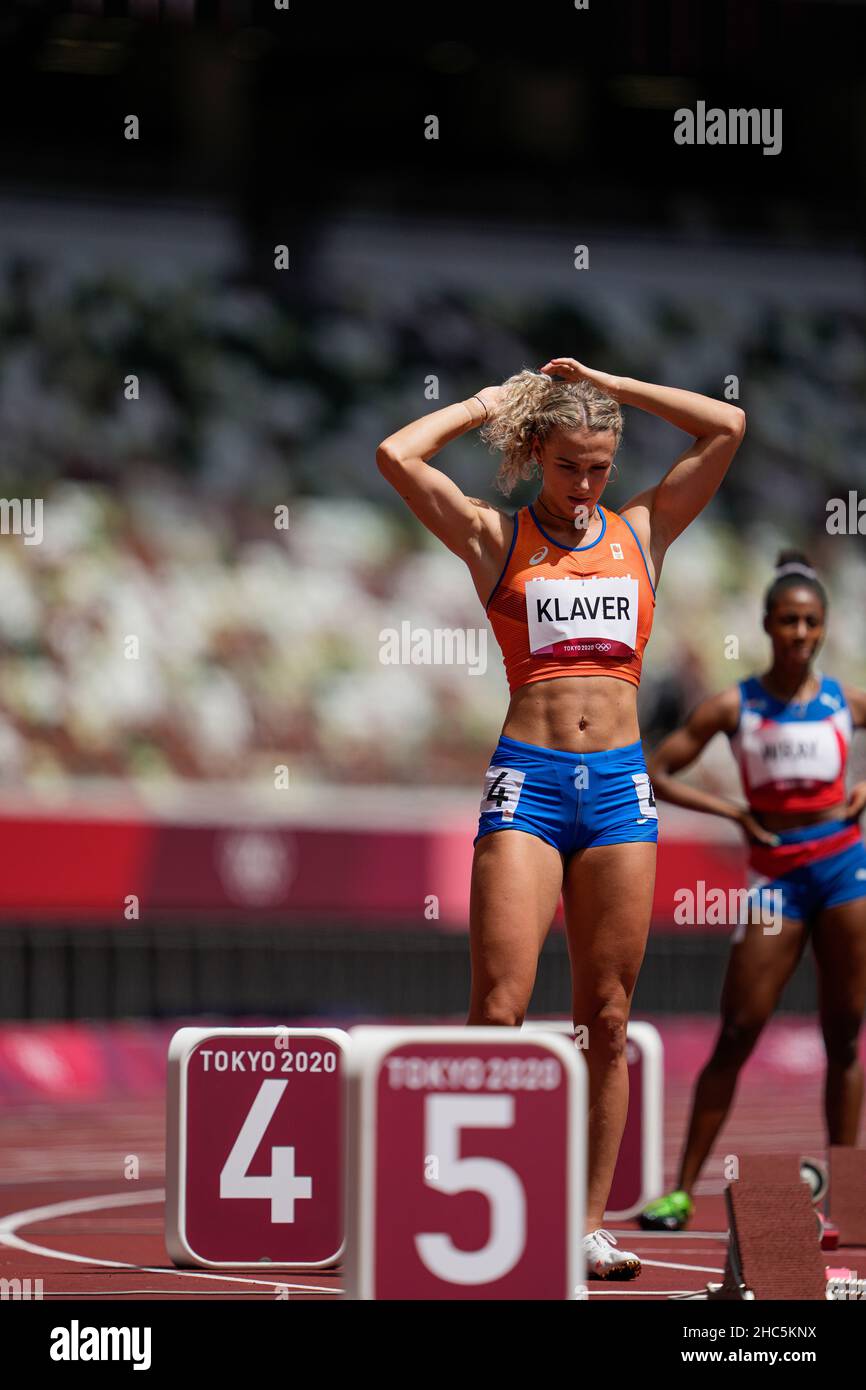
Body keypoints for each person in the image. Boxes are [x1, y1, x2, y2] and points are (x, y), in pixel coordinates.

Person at [377, 358, 745, 1277]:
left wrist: (615, 386)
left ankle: (582, 1223)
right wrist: (488, 404)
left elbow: (727, 429)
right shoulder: (492, 537)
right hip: (529, 785)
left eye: (600, 467)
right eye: (569, 465)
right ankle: (466, 1216)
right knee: (500, 1008)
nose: (584, 486)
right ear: (536, 452)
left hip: (620, 790)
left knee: (607, 1020)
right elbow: (394, 453)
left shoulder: (643, 530)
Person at [640, 550, 866, 1232]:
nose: (799, 633)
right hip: (775, 876)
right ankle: (680, 1190)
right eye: (788, 621)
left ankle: (848, 1203)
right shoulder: (734, 705)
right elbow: (658, 770)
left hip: (844, 867)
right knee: (738, 1028)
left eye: (810, 622)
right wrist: (734, 813)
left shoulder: (844, 702)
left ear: (822, 629)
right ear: (767, 625)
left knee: (846, 1035)